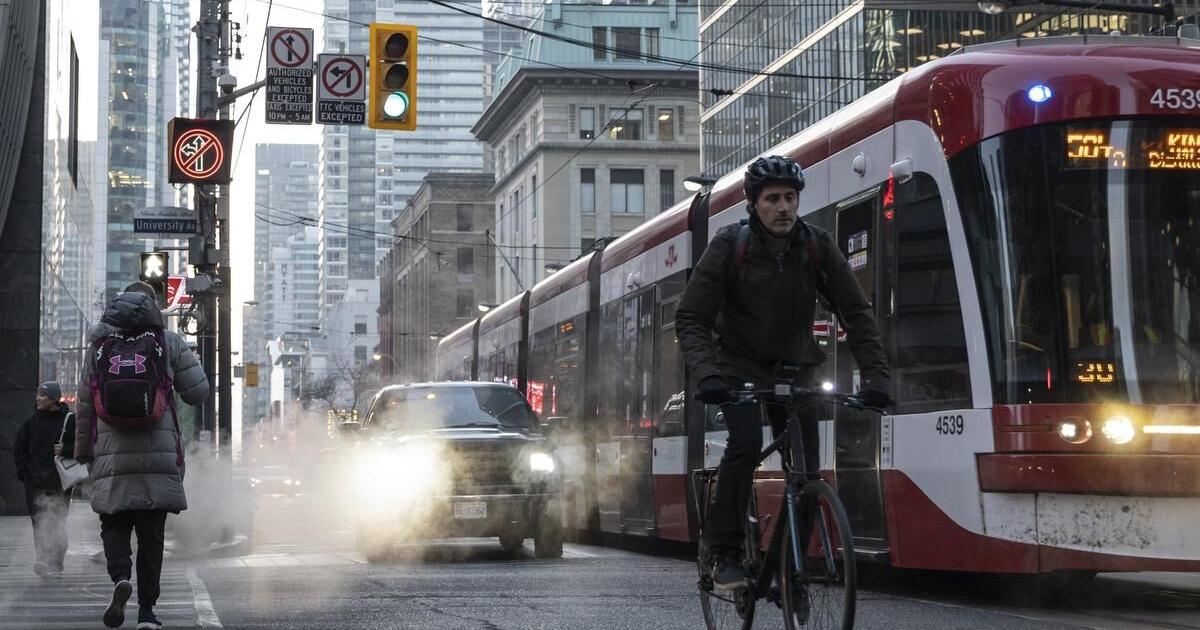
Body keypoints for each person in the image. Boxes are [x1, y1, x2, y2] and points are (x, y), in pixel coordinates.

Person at [675, 155, 891, 589]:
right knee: (746, 444)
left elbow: (856, 312)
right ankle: (725, 552)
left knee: (808, 472)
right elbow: (691, 318)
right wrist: (708, 377)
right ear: (753, 204)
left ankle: (796, 570)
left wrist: (876, 376)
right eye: (772, 199)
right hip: (735, 366)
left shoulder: (816, 246)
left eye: (790, 198)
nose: (783, 208)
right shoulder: (728, 246)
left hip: (796, 367)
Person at [74, 282, 209, 630]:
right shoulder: (168, 342)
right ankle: (147, 613)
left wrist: (84, 455)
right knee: (152, 537)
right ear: (152, 307)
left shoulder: (99, 349)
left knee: (113, 522)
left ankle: (121, 576)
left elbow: (85, 407)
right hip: (159, 458)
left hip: (111, 457)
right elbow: (198, 392)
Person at [13, 382, 75, 577]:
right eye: (38, 394)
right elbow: (19, 450)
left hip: (60, 482)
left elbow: (84, 447)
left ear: (54, 399)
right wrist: (25, 475)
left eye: (42, 395)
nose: (37, 398)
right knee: (39, 521)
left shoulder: (69, 421)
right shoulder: (30, 424)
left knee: (57, 521)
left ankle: (56, 561)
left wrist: (65, 449)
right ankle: (42, 559)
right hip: (35, 483)